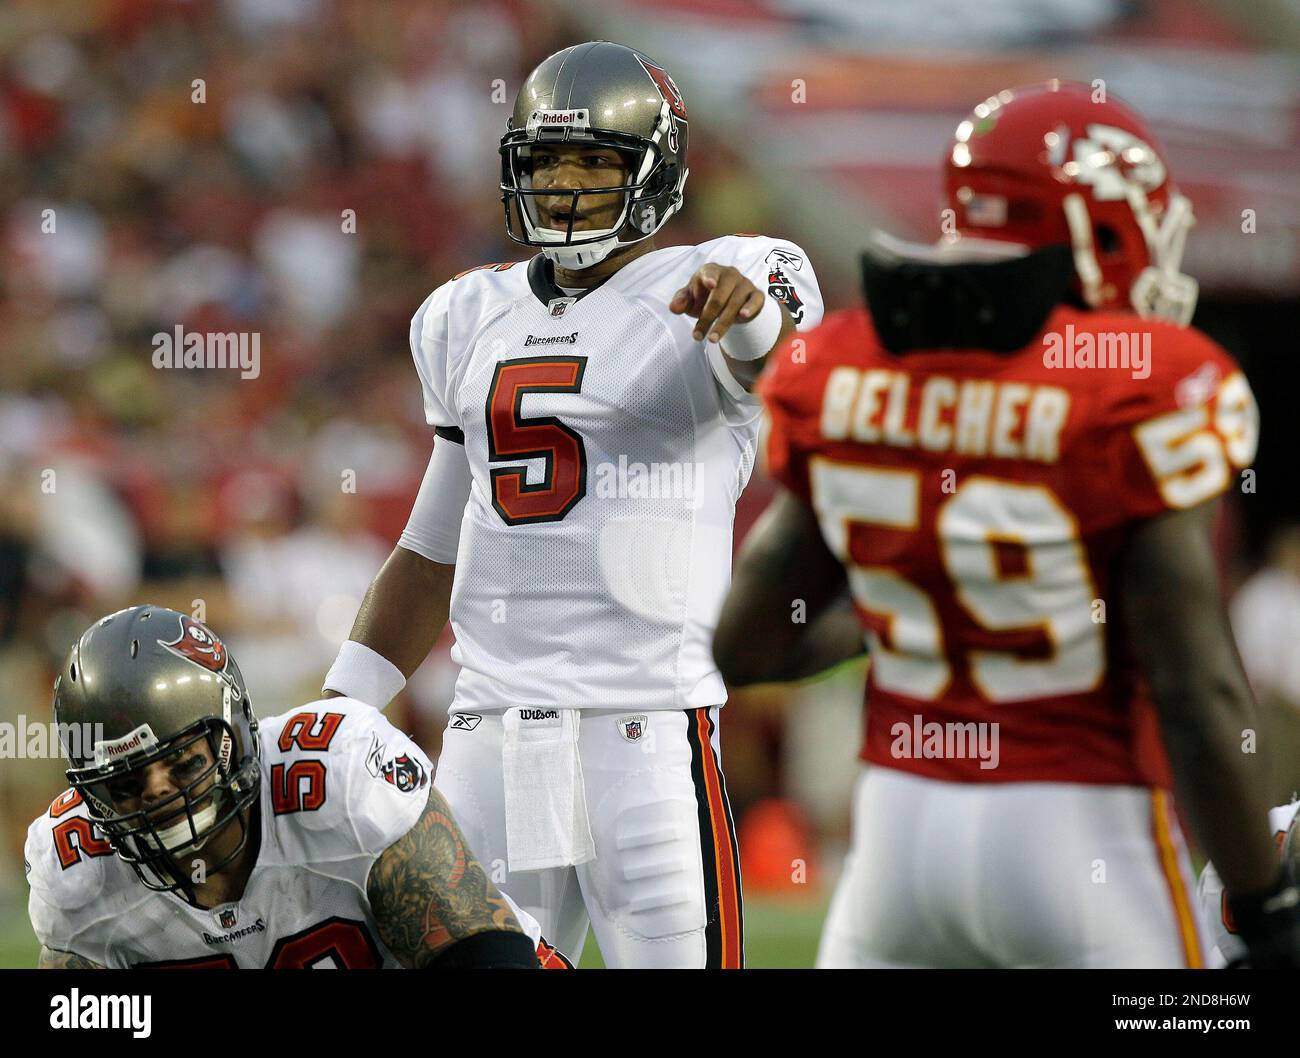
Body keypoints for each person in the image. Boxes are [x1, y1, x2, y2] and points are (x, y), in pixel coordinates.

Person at [714, 80, 1300, 968]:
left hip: (897, 844)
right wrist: (1265, 904)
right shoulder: (1137, 387)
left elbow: (747, 644)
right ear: (1096, 233)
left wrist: (929, 611)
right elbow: (1196, 689)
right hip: (1081, 832)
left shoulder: (845, 366)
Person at [320, 41, 823, 968]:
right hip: (488, 733)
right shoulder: (465, 313)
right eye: (547, 162)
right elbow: (433, 549)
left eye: (594, 160)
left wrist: (746, 313)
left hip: (644, 732)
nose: (565, 185)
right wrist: (343, 707)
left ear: (654, 170)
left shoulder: (727, 272)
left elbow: (786, 373)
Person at [26, 605, 555, 969]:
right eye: (125, 783)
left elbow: (482, 953)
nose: (161, 794)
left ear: (233, 735)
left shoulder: (336, 777)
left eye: (184, 764)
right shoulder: (78, 870)